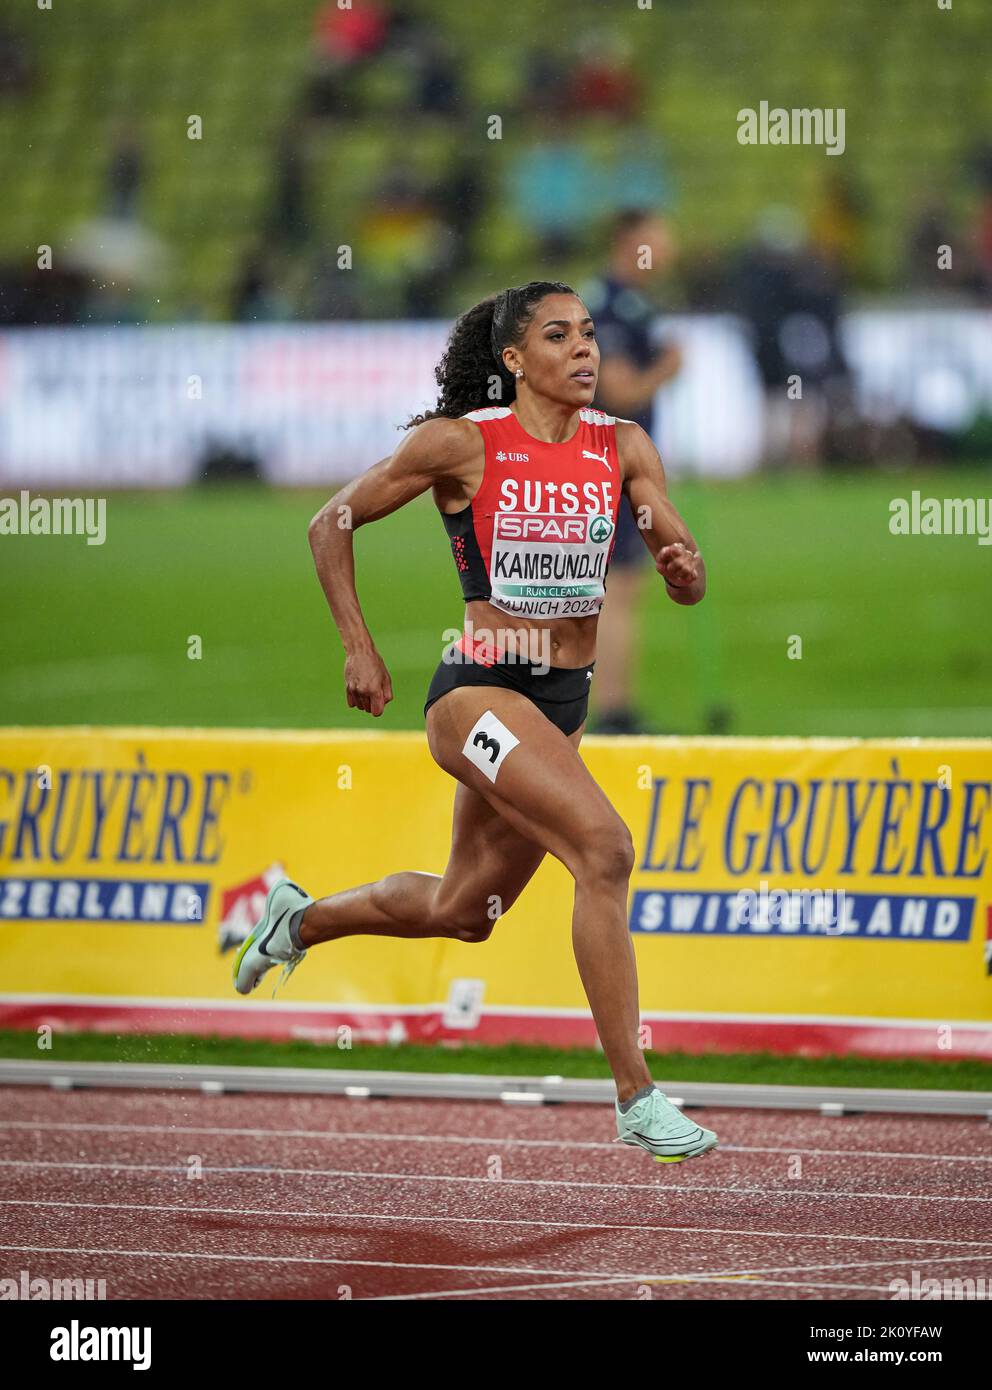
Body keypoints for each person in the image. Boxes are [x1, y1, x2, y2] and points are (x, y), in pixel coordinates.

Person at [233, 281, 718, 1164]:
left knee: (465, 911)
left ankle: (296, 923)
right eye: (560, 336)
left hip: (560, 709)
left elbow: (679, 559)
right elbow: (329, 521)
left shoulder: (624, 446)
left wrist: (684, 569)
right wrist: (358, 646)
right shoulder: (463, 445)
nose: (585, 351)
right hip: (477, 697)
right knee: (604, 849)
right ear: (513, 360)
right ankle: (637, 1096)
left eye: (590, 335)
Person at [583, 210, 683, 733]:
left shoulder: (629, 304)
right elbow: (620, 391)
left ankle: (610, 707)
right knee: (617, 587)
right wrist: (669, 367)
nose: (668, 245)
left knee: (616, 587)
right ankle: (612, 711)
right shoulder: (612, 308)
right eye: (658, 234)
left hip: (609, 465)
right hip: (610, 466)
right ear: (629, 241)